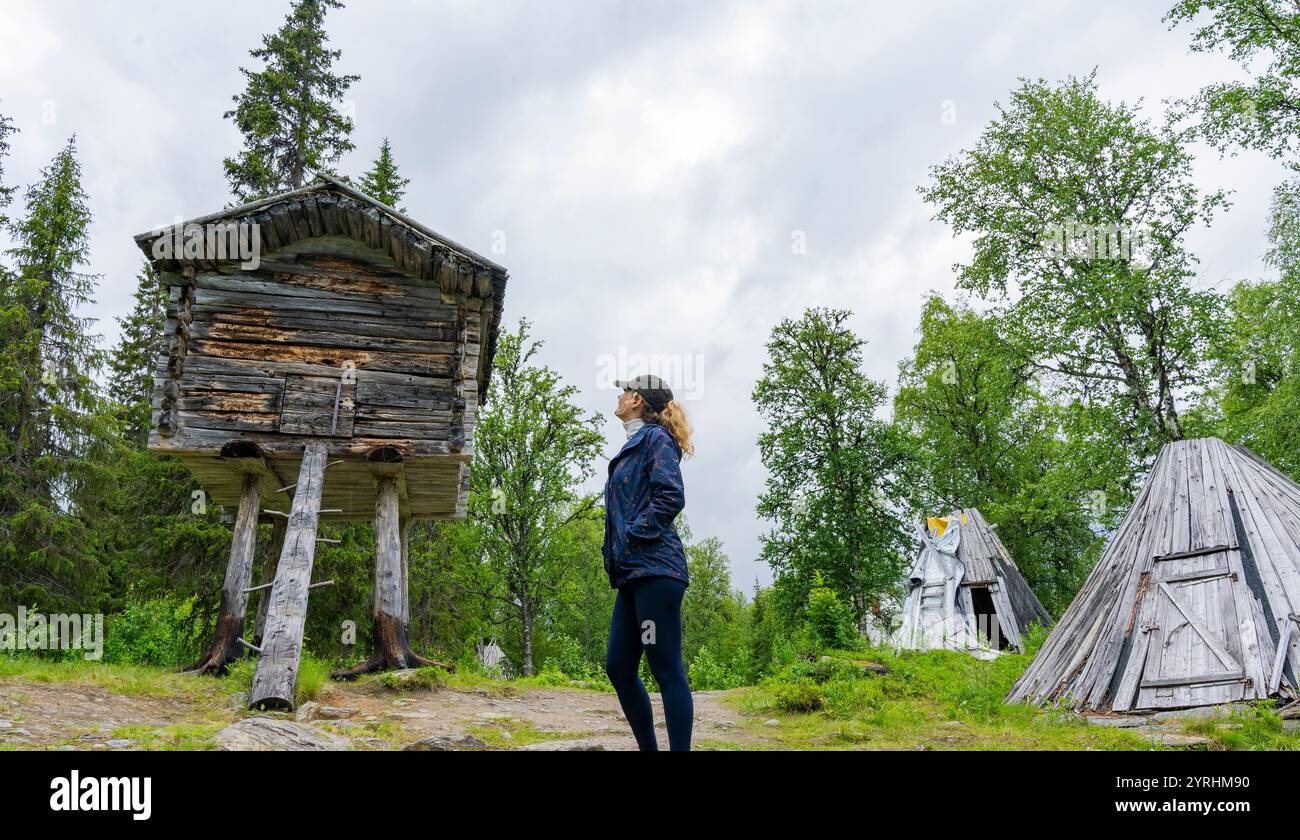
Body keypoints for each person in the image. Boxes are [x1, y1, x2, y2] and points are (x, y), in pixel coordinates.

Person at [602, 374, 694, 751]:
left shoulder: (656, 439)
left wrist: (633, 535)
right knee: (619, 667)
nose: (620, 396)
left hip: (656, 571)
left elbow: (670, 496)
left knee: (664, 667)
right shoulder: (638, 442)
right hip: (633, 575)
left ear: (637, 399)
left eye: (624, 391)